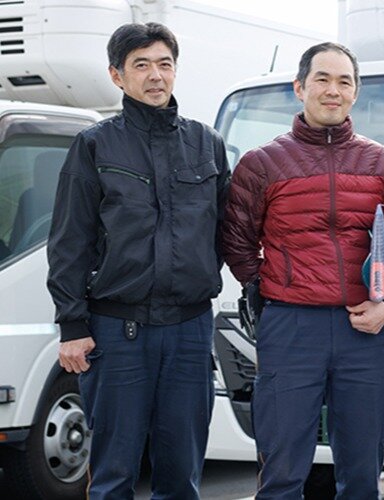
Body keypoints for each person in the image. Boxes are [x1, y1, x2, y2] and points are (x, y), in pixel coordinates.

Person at [221, 42, 384, 499]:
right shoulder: (262, 163)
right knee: (282, 470)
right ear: (300, 87)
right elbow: (236, 240)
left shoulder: (383, 163)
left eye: (344, 81)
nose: (333, 90)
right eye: (322, 79)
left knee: (362, 471)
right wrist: (270, 287)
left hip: (363, 330)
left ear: (355, 92)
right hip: (290, 328)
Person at [46, 22, 230, 499]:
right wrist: (72, 324)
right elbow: (69, 241)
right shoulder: (94, 145)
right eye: (141, 65)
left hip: (189, 332)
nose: (155, 75)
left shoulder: (207, 143)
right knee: (114, 474)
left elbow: (225, 232)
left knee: (182, 473)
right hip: (117, 332)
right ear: (117, 75)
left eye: (164, 64)